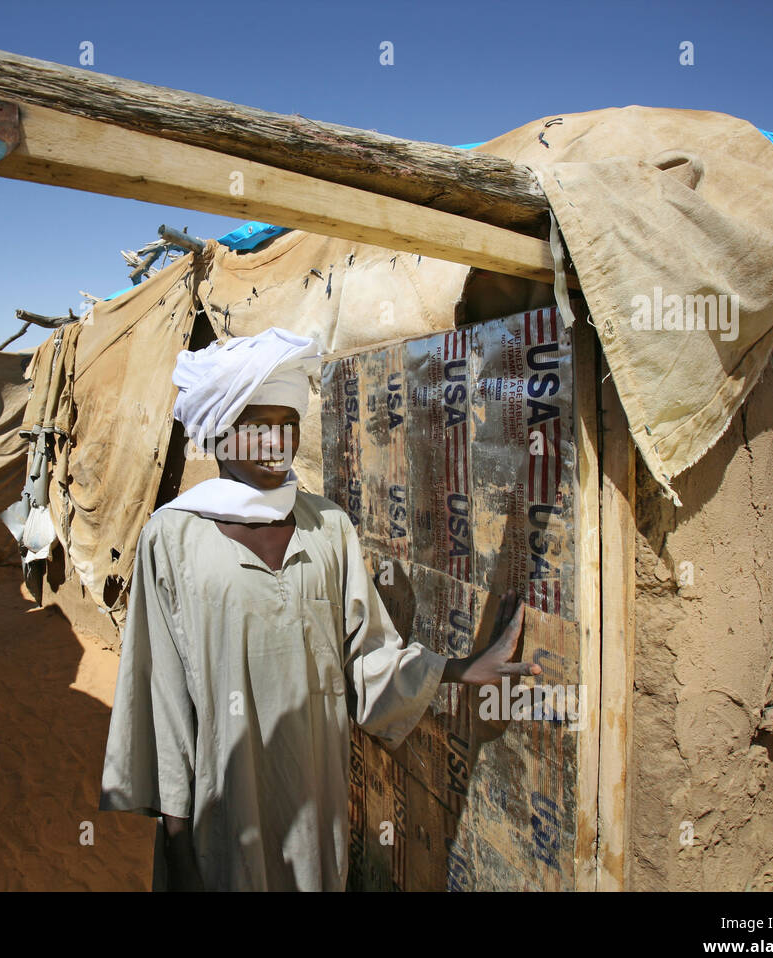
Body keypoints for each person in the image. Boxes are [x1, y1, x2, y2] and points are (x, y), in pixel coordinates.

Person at [99, 326, 538, 891]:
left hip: (315, 801)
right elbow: (160, 698)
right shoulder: (171, 537)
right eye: (257, 428)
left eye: (287, 427)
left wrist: (456, 668)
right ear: (222, 434)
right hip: (220, 816)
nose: (275, 444)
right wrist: (180, 843)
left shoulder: (327, 527)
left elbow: (366, 654)